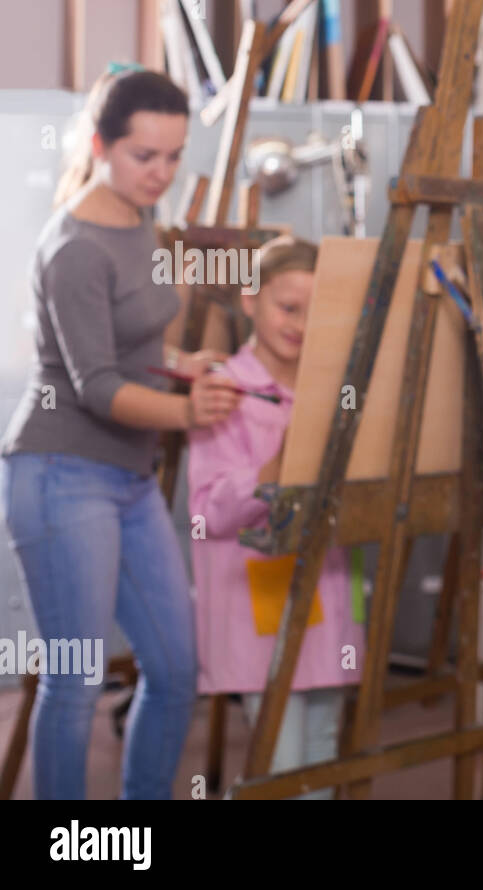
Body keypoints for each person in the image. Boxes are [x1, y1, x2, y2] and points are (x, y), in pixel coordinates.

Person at [0, 67, 241, 799]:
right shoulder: (74, 245)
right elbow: (96, 384)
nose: (161, 173)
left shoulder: (139, 223)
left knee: (173, 671)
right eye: (145, 156)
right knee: (74, 679)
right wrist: (185, 413)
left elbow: (123, 348)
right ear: (102, 145)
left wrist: (177, 365)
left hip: (128, 481)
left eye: (173, 156)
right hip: (59, 473)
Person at [187, 236, 364, 799]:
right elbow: (207, 512)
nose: (300, 326)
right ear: (250, 300)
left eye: (316, 314)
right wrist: (276, 470)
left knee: (323, 753)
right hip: (262, 604)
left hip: (332, 590)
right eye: (288, 308)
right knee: (279, 762)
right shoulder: (223, 391)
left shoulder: (333, 391)